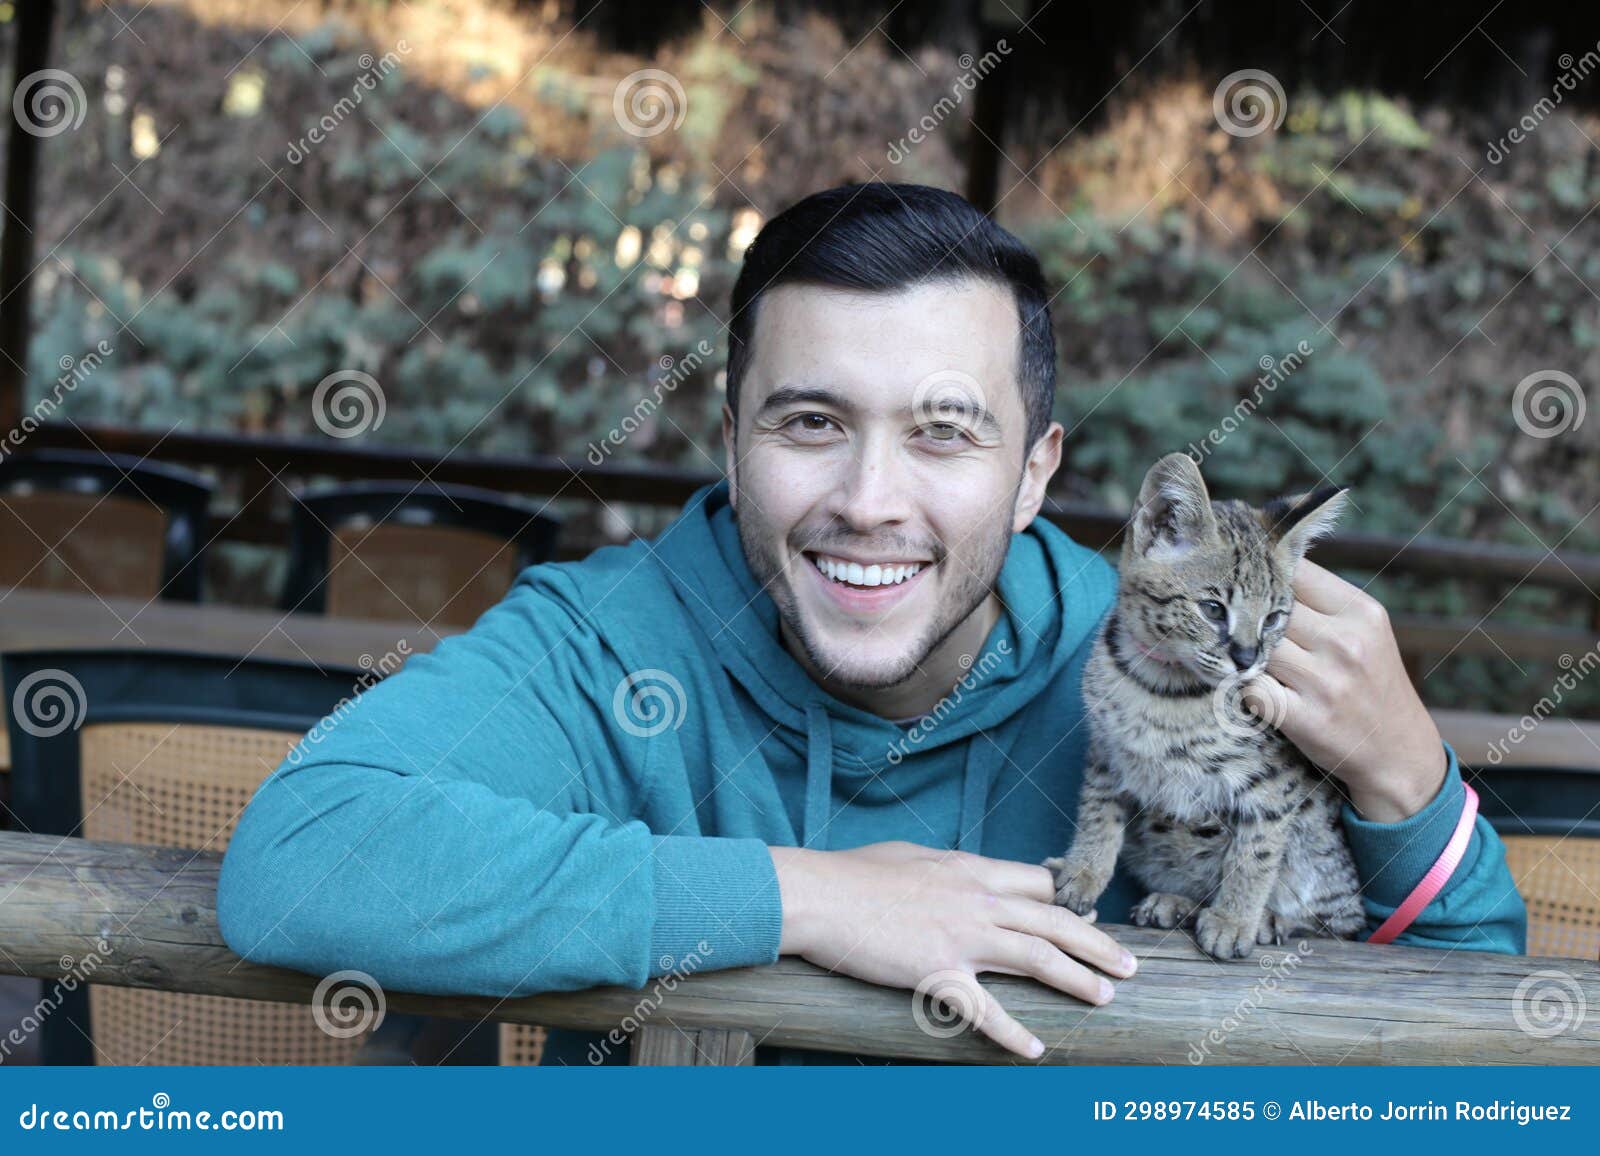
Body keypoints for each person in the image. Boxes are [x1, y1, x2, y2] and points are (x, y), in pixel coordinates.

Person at [218, 182, 1526, 1065]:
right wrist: (811, 899)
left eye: (944, 434)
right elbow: (301, 858)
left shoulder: (1171, 658)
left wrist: (1408, 777)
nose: (868, 501)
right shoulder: (607, 639)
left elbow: (1490, 1047)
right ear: (732, 440)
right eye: (810, 421)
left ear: (1035, 474)